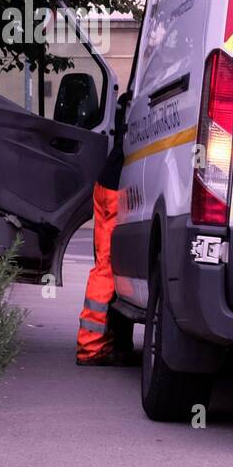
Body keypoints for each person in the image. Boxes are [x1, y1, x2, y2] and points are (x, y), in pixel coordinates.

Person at [76, 94, 131, 365]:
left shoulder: (128, 99)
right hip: (117, 189)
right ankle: (90, 348)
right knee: (107, 268)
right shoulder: (138, 99)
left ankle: (107, 342)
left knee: (106, 264)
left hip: (107, 183)